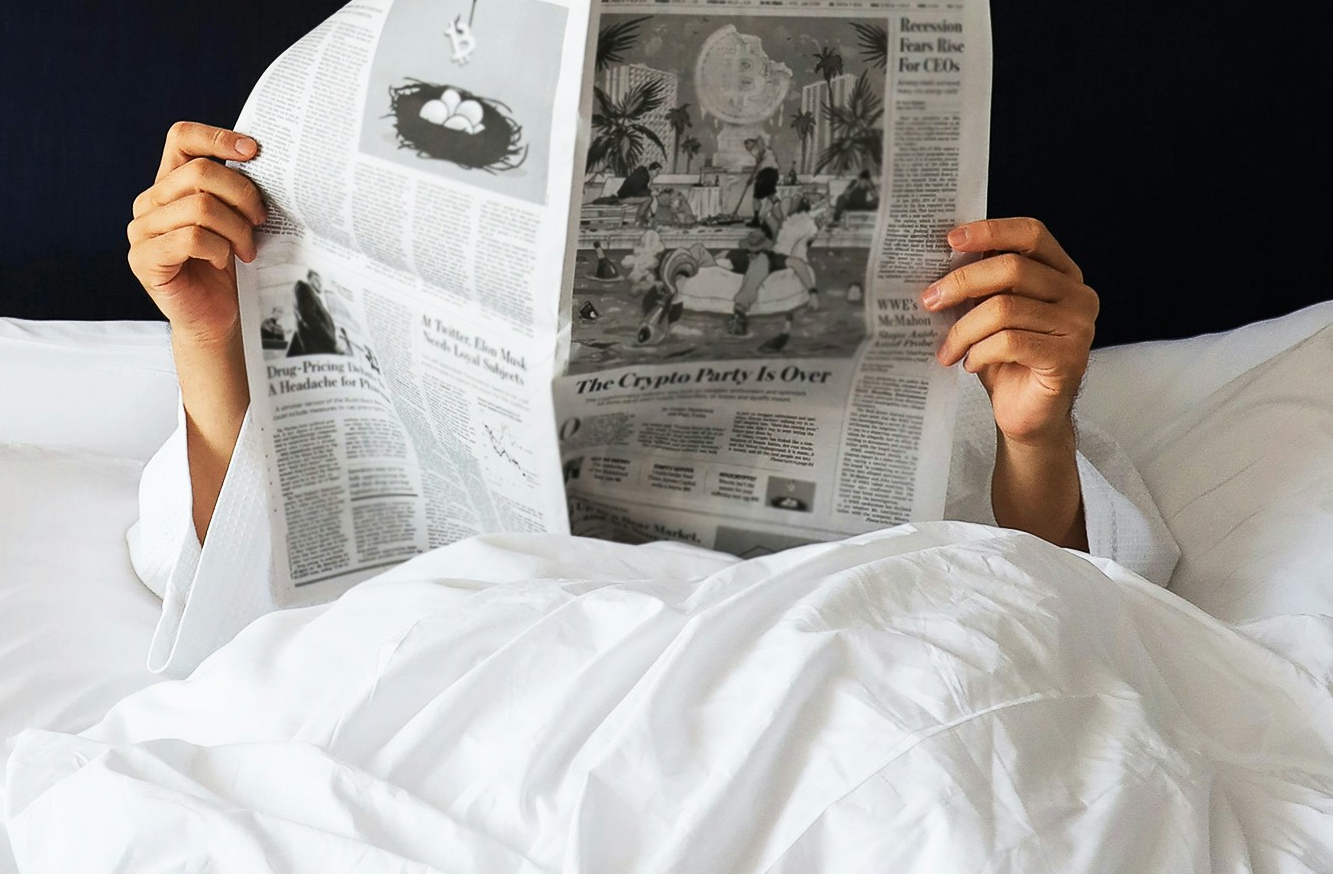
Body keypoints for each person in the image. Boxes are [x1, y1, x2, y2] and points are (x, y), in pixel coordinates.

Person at [123, 119, 1176, 581]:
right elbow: (218, 576)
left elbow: (1072, 597)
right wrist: (210, 335)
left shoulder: (941, 362)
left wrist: (1034, 433)